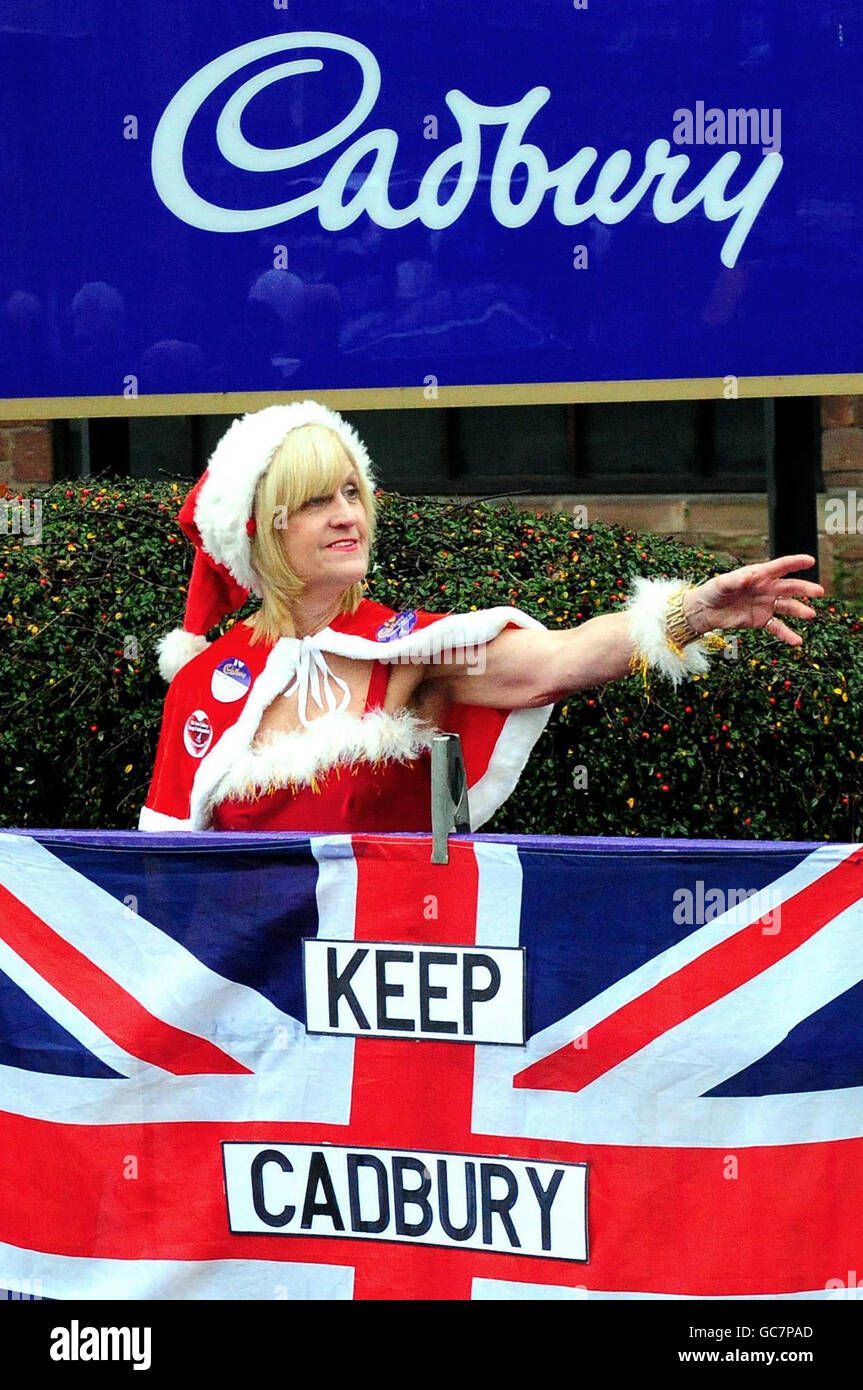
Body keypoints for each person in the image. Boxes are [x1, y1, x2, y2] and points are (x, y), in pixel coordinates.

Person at [138, 400, 823, 833]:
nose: (348, 513)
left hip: (386, 991)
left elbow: (557, 662)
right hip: (250, 1012)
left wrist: (692, 610)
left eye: (352, 492)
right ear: (261, 529)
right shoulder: (203, 681)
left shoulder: (408, 648)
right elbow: (166, 869)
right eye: (317, 501)